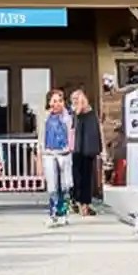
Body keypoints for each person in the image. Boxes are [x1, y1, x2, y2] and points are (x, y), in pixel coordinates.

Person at [38, 89, 74, 227]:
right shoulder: (44, 117)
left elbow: (71, 131)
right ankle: (52, 214)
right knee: (52, 186)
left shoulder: (67, 116)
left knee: (65, 185)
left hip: (64, 154)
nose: (57, 104)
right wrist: (39, 157)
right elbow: (41, 138)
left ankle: (63, 213)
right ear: (49, 102)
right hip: (49, 154)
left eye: (60, 100)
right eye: (54, 101)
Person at [70, 89, 101, 217]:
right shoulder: (75, 115)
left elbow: (94, 134)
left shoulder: (90, 115)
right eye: (73, 100)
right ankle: (76, 201)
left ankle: (85, 205)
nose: (75, 102)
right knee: (76, 177)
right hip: (76, 150)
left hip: (87, 151)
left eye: (77, 99)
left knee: (86, 178)